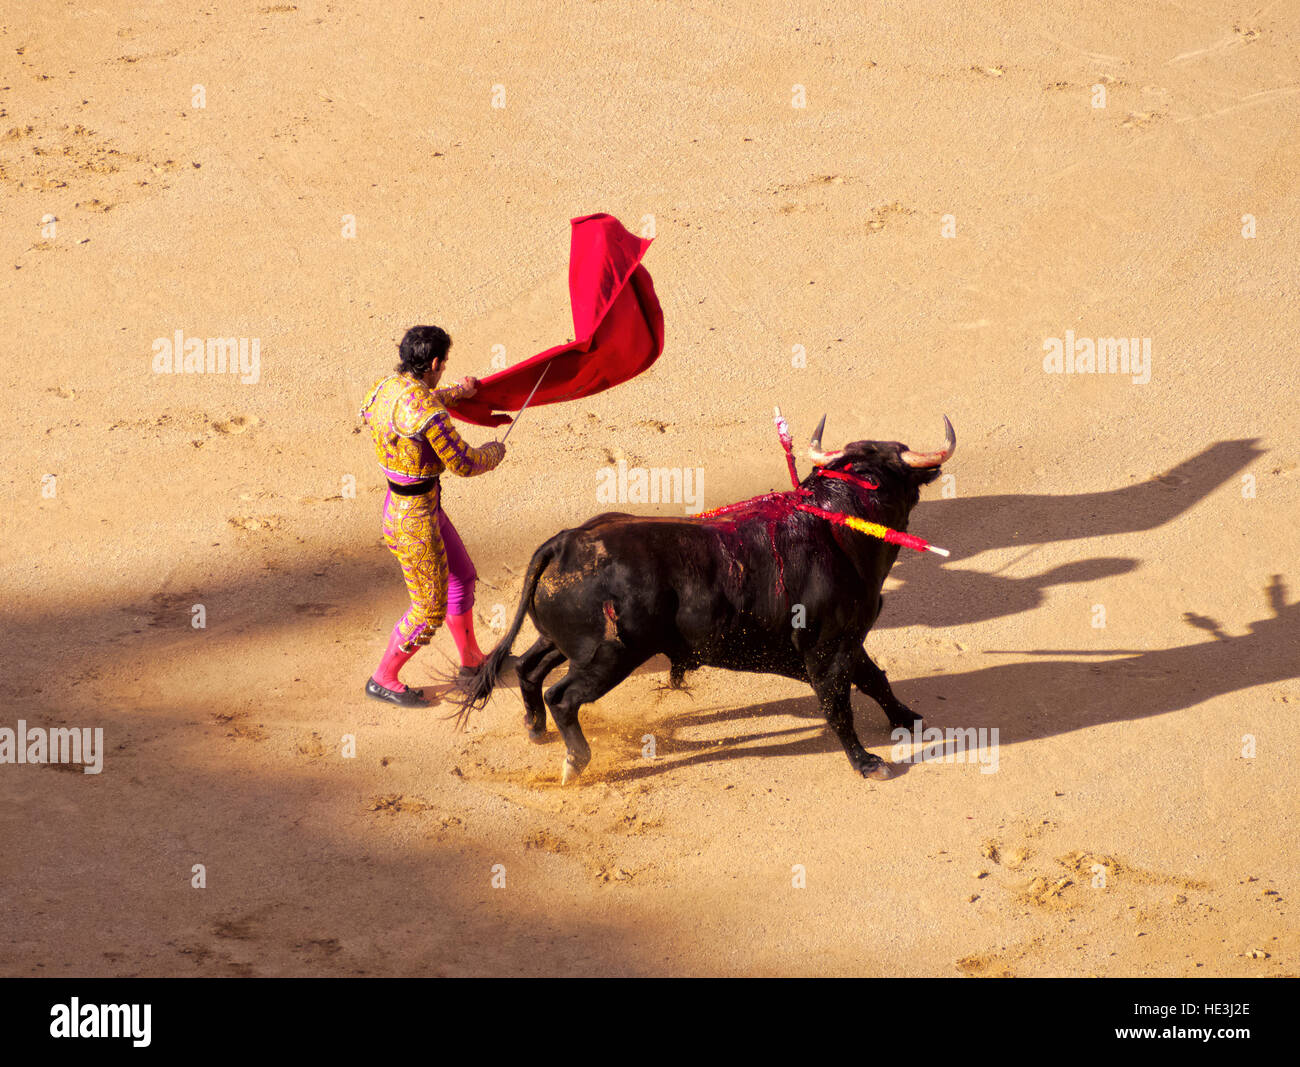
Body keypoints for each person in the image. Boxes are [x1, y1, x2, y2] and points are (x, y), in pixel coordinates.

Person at [358, 325, 505, 706]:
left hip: (414, 507)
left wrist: (458, 391)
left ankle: (471, 660)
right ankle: (382, 678)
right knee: (427, 611)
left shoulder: (386, 388)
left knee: (464, 576)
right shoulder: (428, 413)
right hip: (415, 523)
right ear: (436, 363)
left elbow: (422, 401)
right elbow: (464, 463)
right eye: (444, 366)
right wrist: (493, 453)